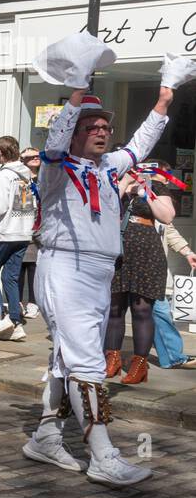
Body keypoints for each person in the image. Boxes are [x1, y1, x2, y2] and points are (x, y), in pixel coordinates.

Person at [22, 33, 183, 486]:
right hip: (65, 267)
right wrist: (75, 94)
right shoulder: (56, 166)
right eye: (90, 124)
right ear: (73, 129)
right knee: (89, 363)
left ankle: (45, 437)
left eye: (104, 126)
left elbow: (140, 144)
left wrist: (164, 100)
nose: (101, 130)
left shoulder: (109, 166)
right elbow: (54, 139)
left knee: (65, 360)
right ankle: (103, 453)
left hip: (99, 271)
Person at [104, 165, 178, 385]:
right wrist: (125, 181)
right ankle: (113, 358)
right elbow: (106, 208)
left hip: (147, 252)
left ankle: (140, 364)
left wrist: (146, 190)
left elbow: (167, 216)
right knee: (114, 307)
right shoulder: (117, 184)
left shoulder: (156, 187)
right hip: (118, 250)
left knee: (141, 308)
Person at [0, 135, 36, 341]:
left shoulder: (4, 176)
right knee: (10, 277)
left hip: (4, 232)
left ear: (1, 153)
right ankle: (15, 321)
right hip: (23, 233)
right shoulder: (26, 175)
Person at [154, 221, 196, 369]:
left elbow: (168, 230)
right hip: (121, 265)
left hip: (150, 268)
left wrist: (188, 252)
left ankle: (173, 356)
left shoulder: (153, 201)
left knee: (159, 311)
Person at [18, 147, 42, 319]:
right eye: (30, 155)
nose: (35, 158)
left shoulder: (46, 177)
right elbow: (22, 204)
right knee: (19, 267)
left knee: (34, 268)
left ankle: (33, 303)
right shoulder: (21, 179)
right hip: (25, 226)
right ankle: (17, 302)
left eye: (37, 155)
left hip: (43, 228)